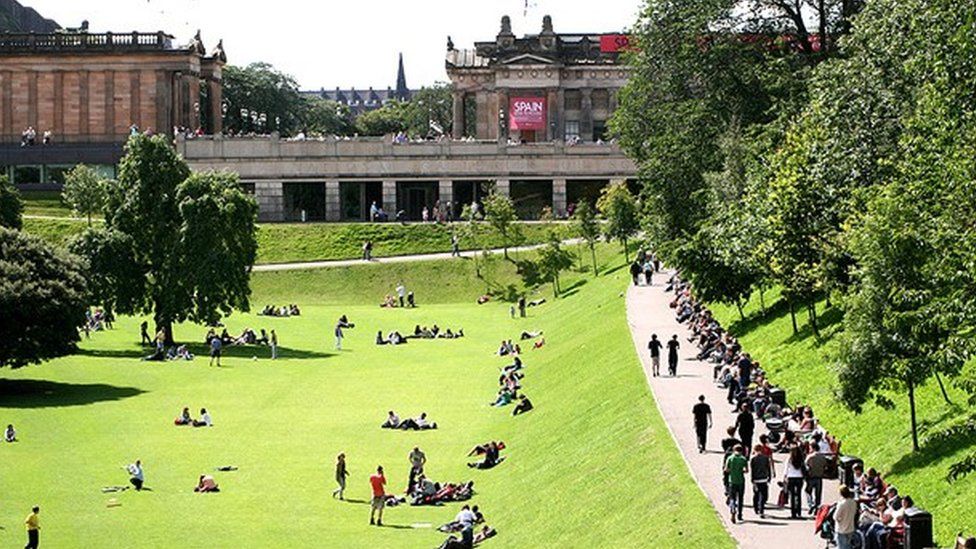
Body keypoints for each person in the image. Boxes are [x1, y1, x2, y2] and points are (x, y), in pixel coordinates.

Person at [724, 444, 748, 523]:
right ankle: (740, 515)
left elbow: (726, 469)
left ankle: (733, 510)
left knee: (732, 498)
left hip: (732, 481)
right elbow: (746, 470)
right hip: (741, 481)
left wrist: (731, 470)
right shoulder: (743, 459)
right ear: (741, 451)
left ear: (734, 450)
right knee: (740, 498)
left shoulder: (730, 458)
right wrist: (741, 470)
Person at [750, 444, 773, 518]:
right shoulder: (765, 458)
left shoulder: (753, 459)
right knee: (763, 495)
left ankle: (756, 508)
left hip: (756, 479)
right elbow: (768, 468)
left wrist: (752, 479)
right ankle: (761, 510)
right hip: (764, 479)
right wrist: (769, 477)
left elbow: (752, 470)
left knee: (756, 494)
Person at [785, 446, 806, 519]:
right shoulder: (801, 459)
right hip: (799, 478)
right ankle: (799, 512)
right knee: (799, 495)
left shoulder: (790, 459)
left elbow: (786, 469)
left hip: (791, 478)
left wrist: (785, 477)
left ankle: (793, 513)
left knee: (792, 496)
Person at [834, 485, 858, 549]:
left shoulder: (841, 504)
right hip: (850, 528)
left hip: (841, 529)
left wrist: (840, 520)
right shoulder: (853, 502)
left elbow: (835, 517)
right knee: (848, 546)